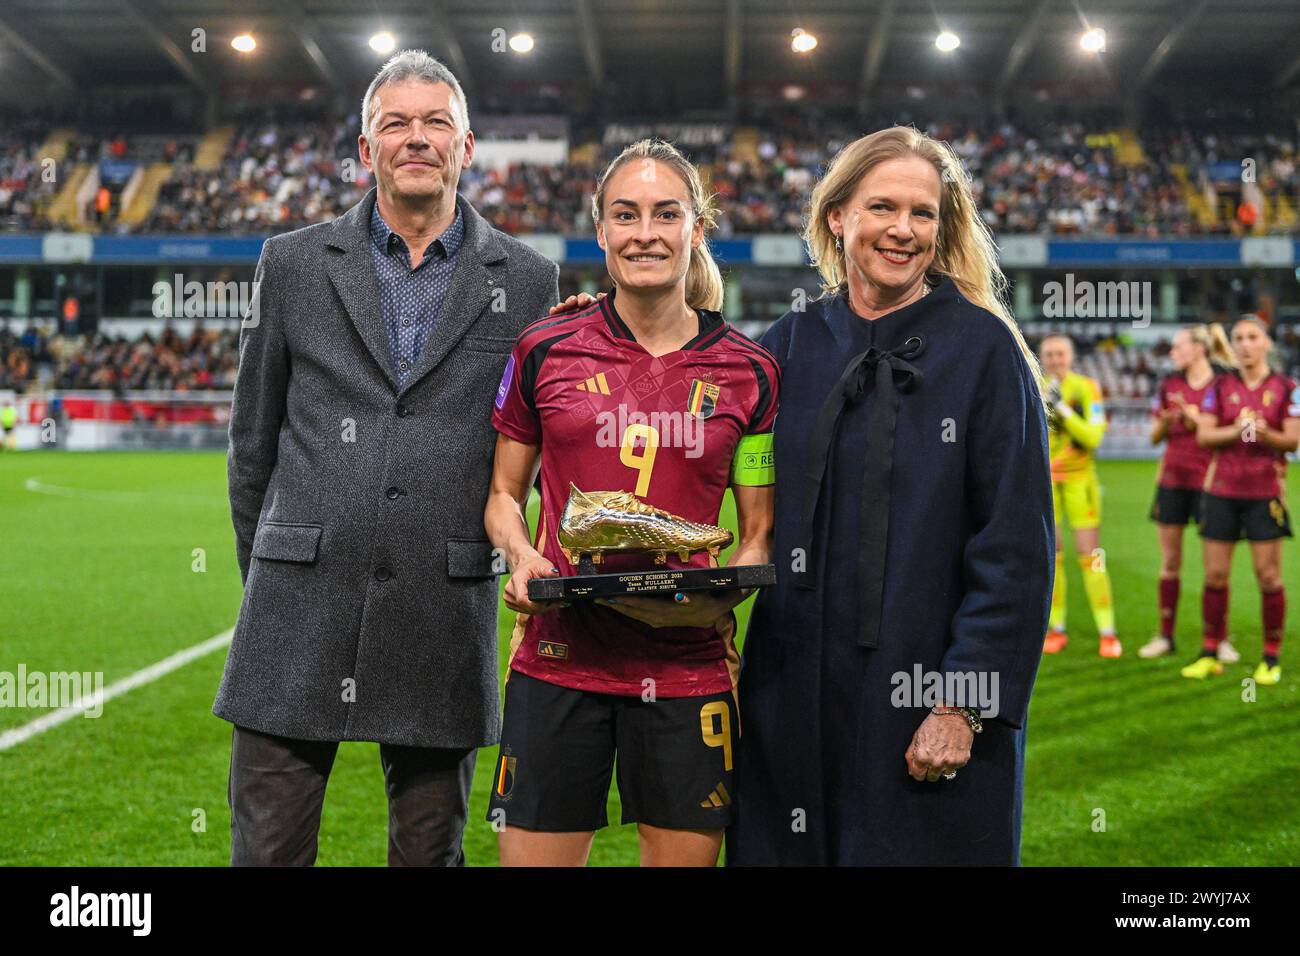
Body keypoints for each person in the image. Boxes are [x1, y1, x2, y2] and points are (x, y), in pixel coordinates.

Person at [213, 50, 560, 866]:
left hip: (442, 611)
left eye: (436, 121)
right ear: (365, 149)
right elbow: (251, 444)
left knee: (428, 856)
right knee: (265, 854)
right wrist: (273, 567)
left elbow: (532, 457)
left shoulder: (531, 278)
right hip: (294, 611)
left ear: (466, 147)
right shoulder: (292, 263)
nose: (416, 138)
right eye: (394, 123)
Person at [727, 126, 1053, 866]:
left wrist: (962, 706)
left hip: (924, 695)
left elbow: (1015, 550)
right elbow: (705, 445)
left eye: (923, 213)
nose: (902, 230)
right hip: (789, 693)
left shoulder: (985, 351)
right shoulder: (790, 342)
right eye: (882, 207)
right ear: (838, 217)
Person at [485, 139, 779, 867]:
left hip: (690, 669)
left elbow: (758, 534)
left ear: (696, 229)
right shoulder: (543, 347)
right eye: (626, 214)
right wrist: (521, 557)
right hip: (557, 660)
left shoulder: (752, 373)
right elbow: (500, 495)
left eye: (665, 213)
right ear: (602, 229)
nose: (645, 232)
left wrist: (718, 600)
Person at [1182, 316, 1299, 685]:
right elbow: (1204, 435)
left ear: (1267, 343)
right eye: (1239, 338)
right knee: (1215, 575)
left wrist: (1266, 432)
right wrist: (1237, 429)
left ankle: (1270, 656)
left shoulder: (1287, 387)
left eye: (1253, 337)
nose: (1246, 344)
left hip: (1265, 493)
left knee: (1268, 577)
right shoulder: (1221, 386)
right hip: (1222, 493)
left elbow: (1292, 441)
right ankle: (1210, 650)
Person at [1140, 324, 1237, 660]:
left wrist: (1200, 421)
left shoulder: (1224, 385)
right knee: (1170, 562)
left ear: (1198, 348)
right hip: (1172, 481)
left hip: (1213, 482)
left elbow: (1236, 432)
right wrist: (1167, 421)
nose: (1172, 352)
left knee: (1216, 569)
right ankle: (1165, 636)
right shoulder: (1169, 384)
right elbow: (1153, 436)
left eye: (1177, 346)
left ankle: (1219, 639)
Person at [1040, 334, 1121, 657]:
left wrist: (1060, 407)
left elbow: (1093, 436)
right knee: (1052, 557)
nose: (1055, 359)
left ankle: (1108, 632)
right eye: (1049, 354)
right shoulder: (1034, 385)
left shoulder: (1086, 388)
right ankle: (1056, 629)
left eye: (1060, 353)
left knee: (1092, 556)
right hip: (1046, 484)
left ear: (1070, 356)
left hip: (1080, 482)